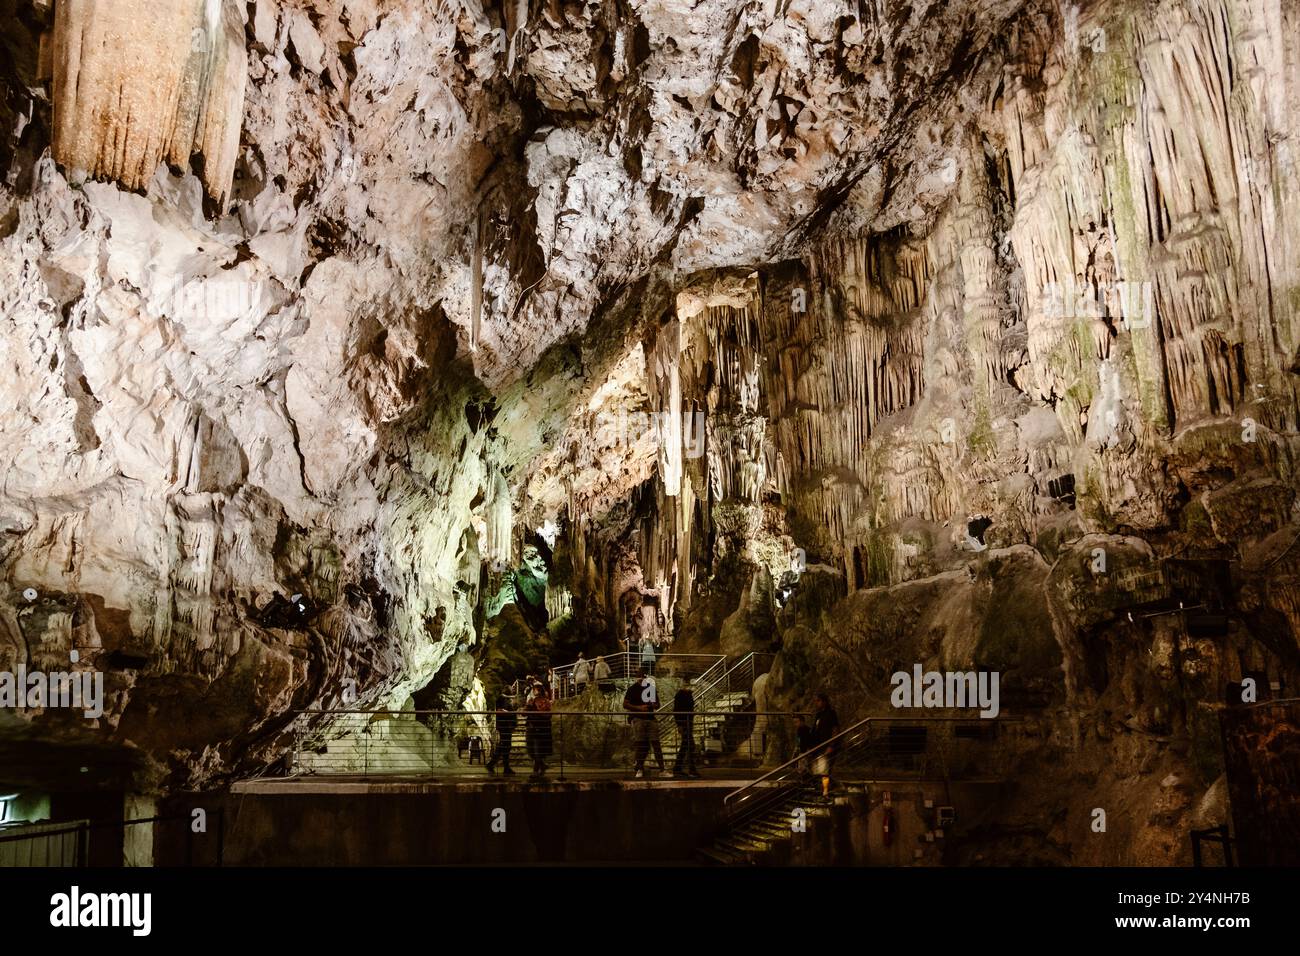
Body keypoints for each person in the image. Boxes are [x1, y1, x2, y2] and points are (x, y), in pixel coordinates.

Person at [623, 666, 665, 778]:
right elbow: (625, 704)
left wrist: (652, 704)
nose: (641, 679)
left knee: (655, 744)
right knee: (641, 744)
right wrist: (639, 708)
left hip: (650, 718)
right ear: (637, 678)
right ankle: (639, 768)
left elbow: (657, 704)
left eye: (643, 677)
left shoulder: (650, 688)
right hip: (639, 718)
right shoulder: (632, 689)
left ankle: (661, 770)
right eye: (639, 677)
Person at [809, 693, 840, 798]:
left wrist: (831, 745)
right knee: (818, 770)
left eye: (818, 701)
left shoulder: (831, 713)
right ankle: (824, 789)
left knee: (825, 770)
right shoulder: (818, 715)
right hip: (818, 747)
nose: (816, 703)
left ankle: (825, 792)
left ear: (824, 701)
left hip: (827, 747)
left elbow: (835, 730)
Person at [524, 681, 553, 778]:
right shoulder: (534, 700)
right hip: (534, 728)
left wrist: (533, 709)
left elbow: (547, 714)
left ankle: (536, 771)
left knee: (536, 750)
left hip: (538, 728)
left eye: (536, 689)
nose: (535, 690)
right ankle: (542, 766)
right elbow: (525, 712)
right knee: (532, 750)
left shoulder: (543, 701)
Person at [672, 679, 699, 777]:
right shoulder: (681, 695)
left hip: (688, 723)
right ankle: (690, 769)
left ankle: (678, 768)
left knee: (685, 746)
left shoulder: (688, 694)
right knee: (689, 746)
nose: (693, 688)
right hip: (684, 723)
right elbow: (676, 710)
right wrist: (679, 725)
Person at [486, 693, 517, 775]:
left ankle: (502, 767)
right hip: (505, 727)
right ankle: (497, 766)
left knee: (504, 747)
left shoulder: (503, 700)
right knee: (504, 747)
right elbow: (501, 712)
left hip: (505, 726)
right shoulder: (502, 700)